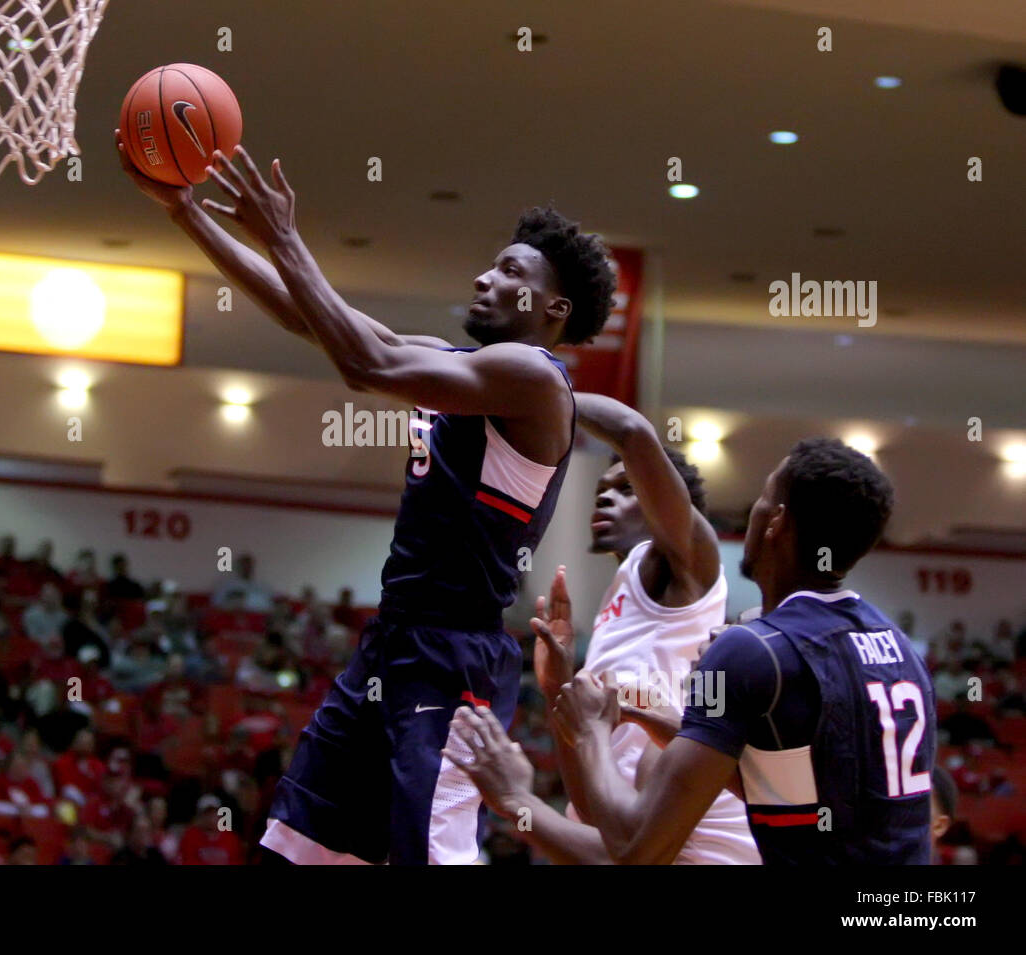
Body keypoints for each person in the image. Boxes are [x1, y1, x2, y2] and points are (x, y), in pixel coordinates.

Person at [119, 137, 616, 864]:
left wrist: (286, 234)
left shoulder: (536, 382)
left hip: (453, 660)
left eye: (508, 270)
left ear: (552, 307)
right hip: (394, 642)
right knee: (298, 847)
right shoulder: (462, 368)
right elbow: (311, 317)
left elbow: (365, 363)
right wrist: (186, 213)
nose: (483, 275)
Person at [451, 437, 935, 864]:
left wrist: (516, 797)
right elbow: (796, 792)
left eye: (761, 500)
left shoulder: (751, 650)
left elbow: (634, 853)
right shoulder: (897, 648)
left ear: (776, 522)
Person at [521, 395, 758, 863]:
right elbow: (589, 808)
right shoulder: (621, 593)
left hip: (675, 816)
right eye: (602, 489)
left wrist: (544, 387)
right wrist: (557, 686)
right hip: (620, 814)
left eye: (628, 487)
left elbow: (633, 434)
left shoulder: (692, 571)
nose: (606, 495)